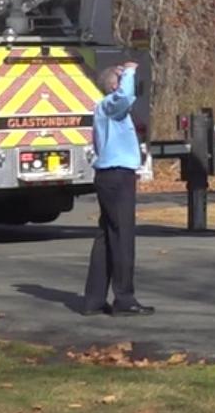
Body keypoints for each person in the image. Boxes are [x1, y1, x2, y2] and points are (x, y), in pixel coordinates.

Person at [81, 60, 151, 316]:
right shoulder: (111, 105)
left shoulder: (109, 110)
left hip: (109, 176)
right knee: (122, 236)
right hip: (117, 175)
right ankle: (124, 299)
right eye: (121, 80)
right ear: (114, 86)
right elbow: (126, 96)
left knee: (106, 236)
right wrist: (130, 70)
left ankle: (94, 299)